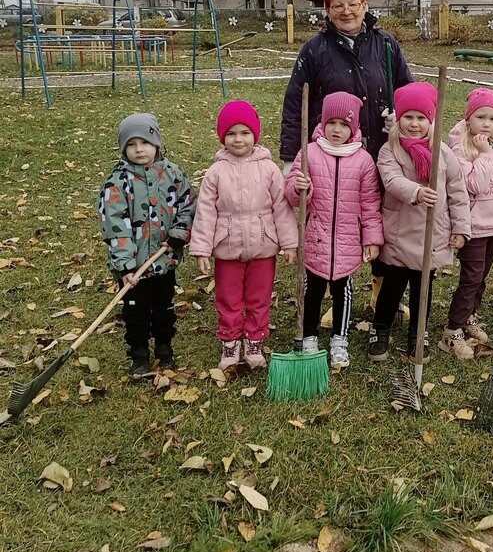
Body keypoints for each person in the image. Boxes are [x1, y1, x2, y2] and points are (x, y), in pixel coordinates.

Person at [189, 101, 298, 371]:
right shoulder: (215, 173)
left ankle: (254, 341)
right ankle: (230, 341)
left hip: (263, 246)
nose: (238, 139)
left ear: (255, 135)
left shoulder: (269, 169)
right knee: (228, 298)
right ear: (222, 137)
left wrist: (289, 243)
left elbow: (282, 209)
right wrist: (201, 248)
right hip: (227, 247)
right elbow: (205, 212)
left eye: (245, 133)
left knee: (259, 297)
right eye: (231, 133)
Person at [369, 82, 471, 363]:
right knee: (393, 285)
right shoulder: (389, 150)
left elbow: (458, 192)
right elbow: (391, 180)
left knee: (423, 287)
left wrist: (461, 228)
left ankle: (418, 332)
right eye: (408, 117)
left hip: (432, 234)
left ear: (430, 120)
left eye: (421, 118)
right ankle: (380, 328)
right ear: (398, 119)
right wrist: (416, 192)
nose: (414, 124)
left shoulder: (443, 152)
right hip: (400, 234)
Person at [284, 91, 383, 369]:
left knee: (343, 291)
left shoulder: (363, 160)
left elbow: (370, 203)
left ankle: (340, 340)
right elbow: (292, 194)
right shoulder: (308, 154)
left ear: (353, 128)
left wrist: (372, 238)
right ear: (322, 122)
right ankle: (309, 337)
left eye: (344, 124)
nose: (337, 129)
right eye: (331, 123)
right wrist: (300, 188)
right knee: (312, 291)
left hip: (347, 241)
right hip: (315, 237)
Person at [280, 0, 412, 167]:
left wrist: (400, 117)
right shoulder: (314, 50)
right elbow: (295, 105)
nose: (346, 11)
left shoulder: (386, 43)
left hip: (382, 154)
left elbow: (407, 92)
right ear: (327, 10)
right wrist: (291, 159)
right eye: (338, 6)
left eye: (353, 4)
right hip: (329, 160)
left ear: (364, 6)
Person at [98, 113, 194, 379]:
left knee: (164, 308)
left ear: (156, 143)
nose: (139, 149)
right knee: (135, 310)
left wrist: (179, 234)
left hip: (163, 261)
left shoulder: (173, 174)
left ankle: (164, 349)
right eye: (131, 144)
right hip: (133, 268)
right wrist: (125, 266)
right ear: (123, 148)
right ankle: (139, 354)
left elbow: (188, 205)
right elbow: (114, 225)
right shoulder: (117, 183)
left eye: (145, 142)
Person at [442, 88, 493, 359]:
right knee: (471, 278)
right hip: (473, 227)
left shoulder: (491, 144)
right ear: (468, 118)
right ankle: (452, 330)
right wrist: (485, 154)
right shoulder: (461, 148)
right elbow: (475, 185)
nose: (487, 124)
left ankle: (470, 315)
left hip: (492, 225)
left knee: (482, 277)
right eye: (481, 117)